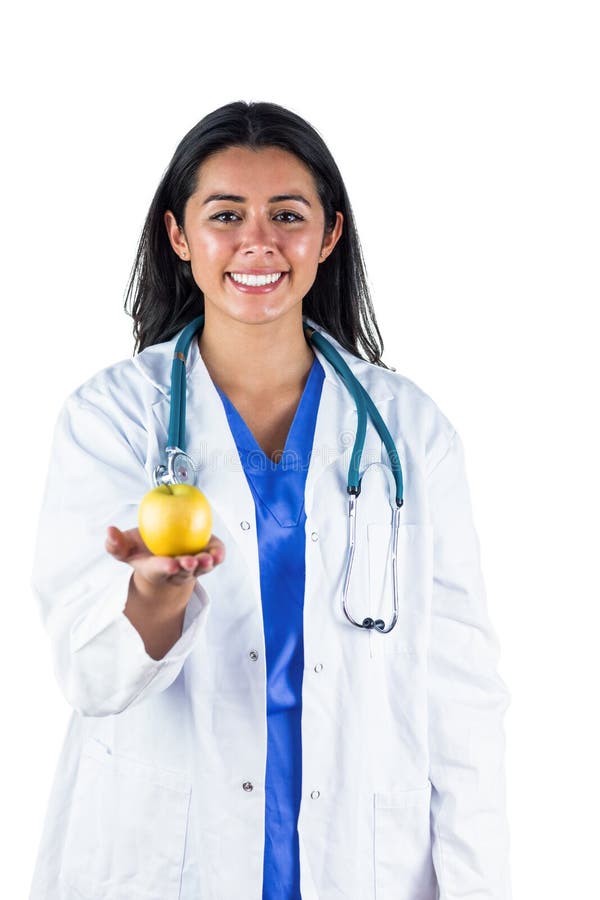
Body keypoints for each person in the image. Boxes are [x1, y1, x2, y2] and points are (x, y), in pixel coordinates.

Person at [29, 100, 512, 900]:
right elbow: (93, 677)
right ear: (179, 237)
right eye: (226, 214)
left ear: (329, 235)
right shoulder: (111, 418)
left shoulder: (408, 431)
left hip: (361, 857)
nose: (258, 241)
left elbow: (461, 691)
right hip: (167, 856)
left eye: (288, 214)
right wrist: (155, 594)